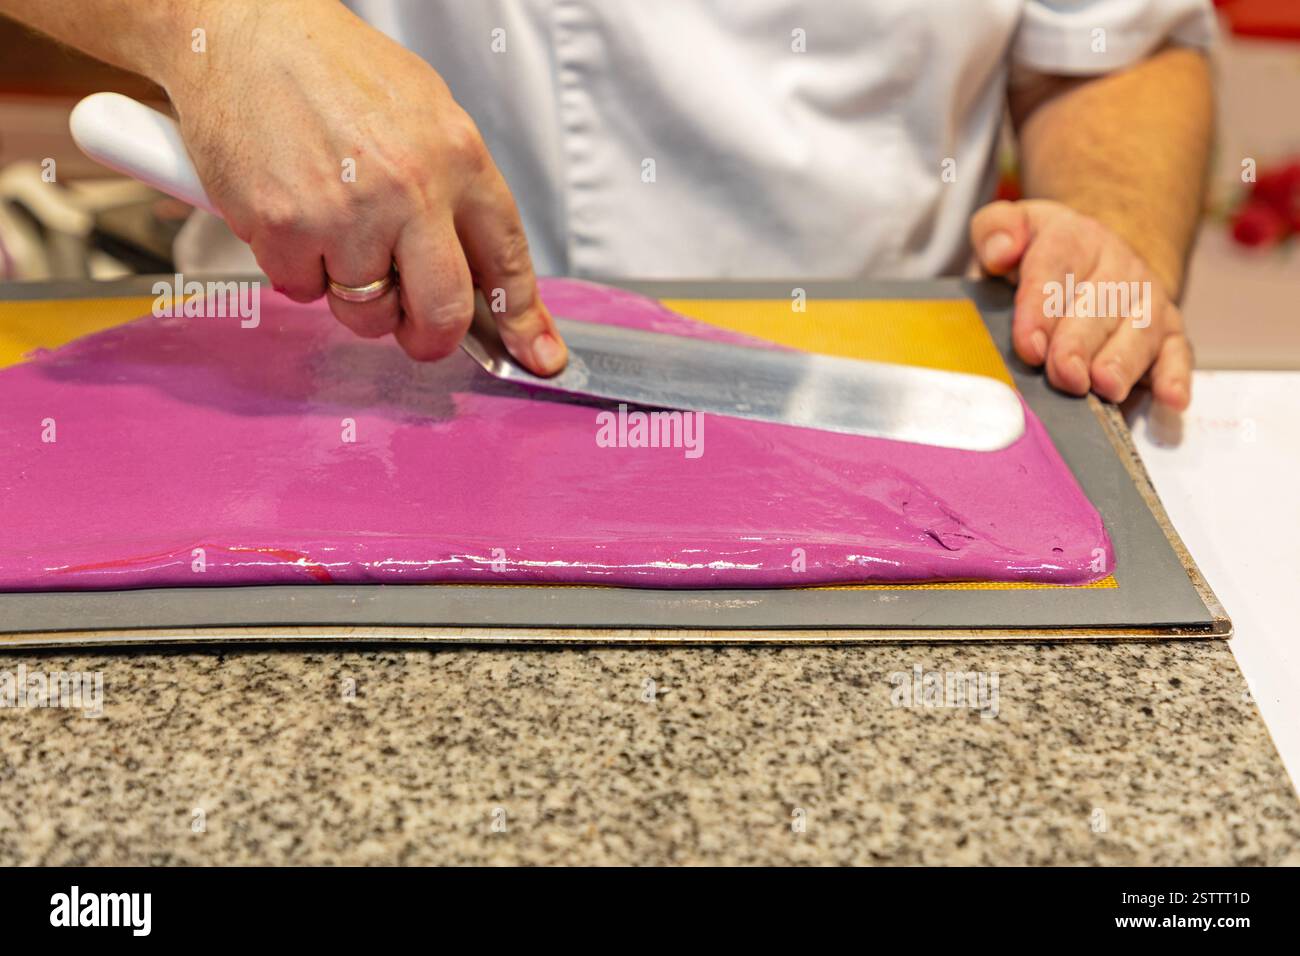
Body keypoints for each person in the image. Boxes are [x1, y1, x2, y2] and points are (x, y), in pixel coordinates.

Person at [3, 0, 1213, 408]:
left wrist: (1106, 239)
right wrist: (224, 31)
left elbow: (1114, 45)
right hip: (328, 363)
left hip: (858, 372)